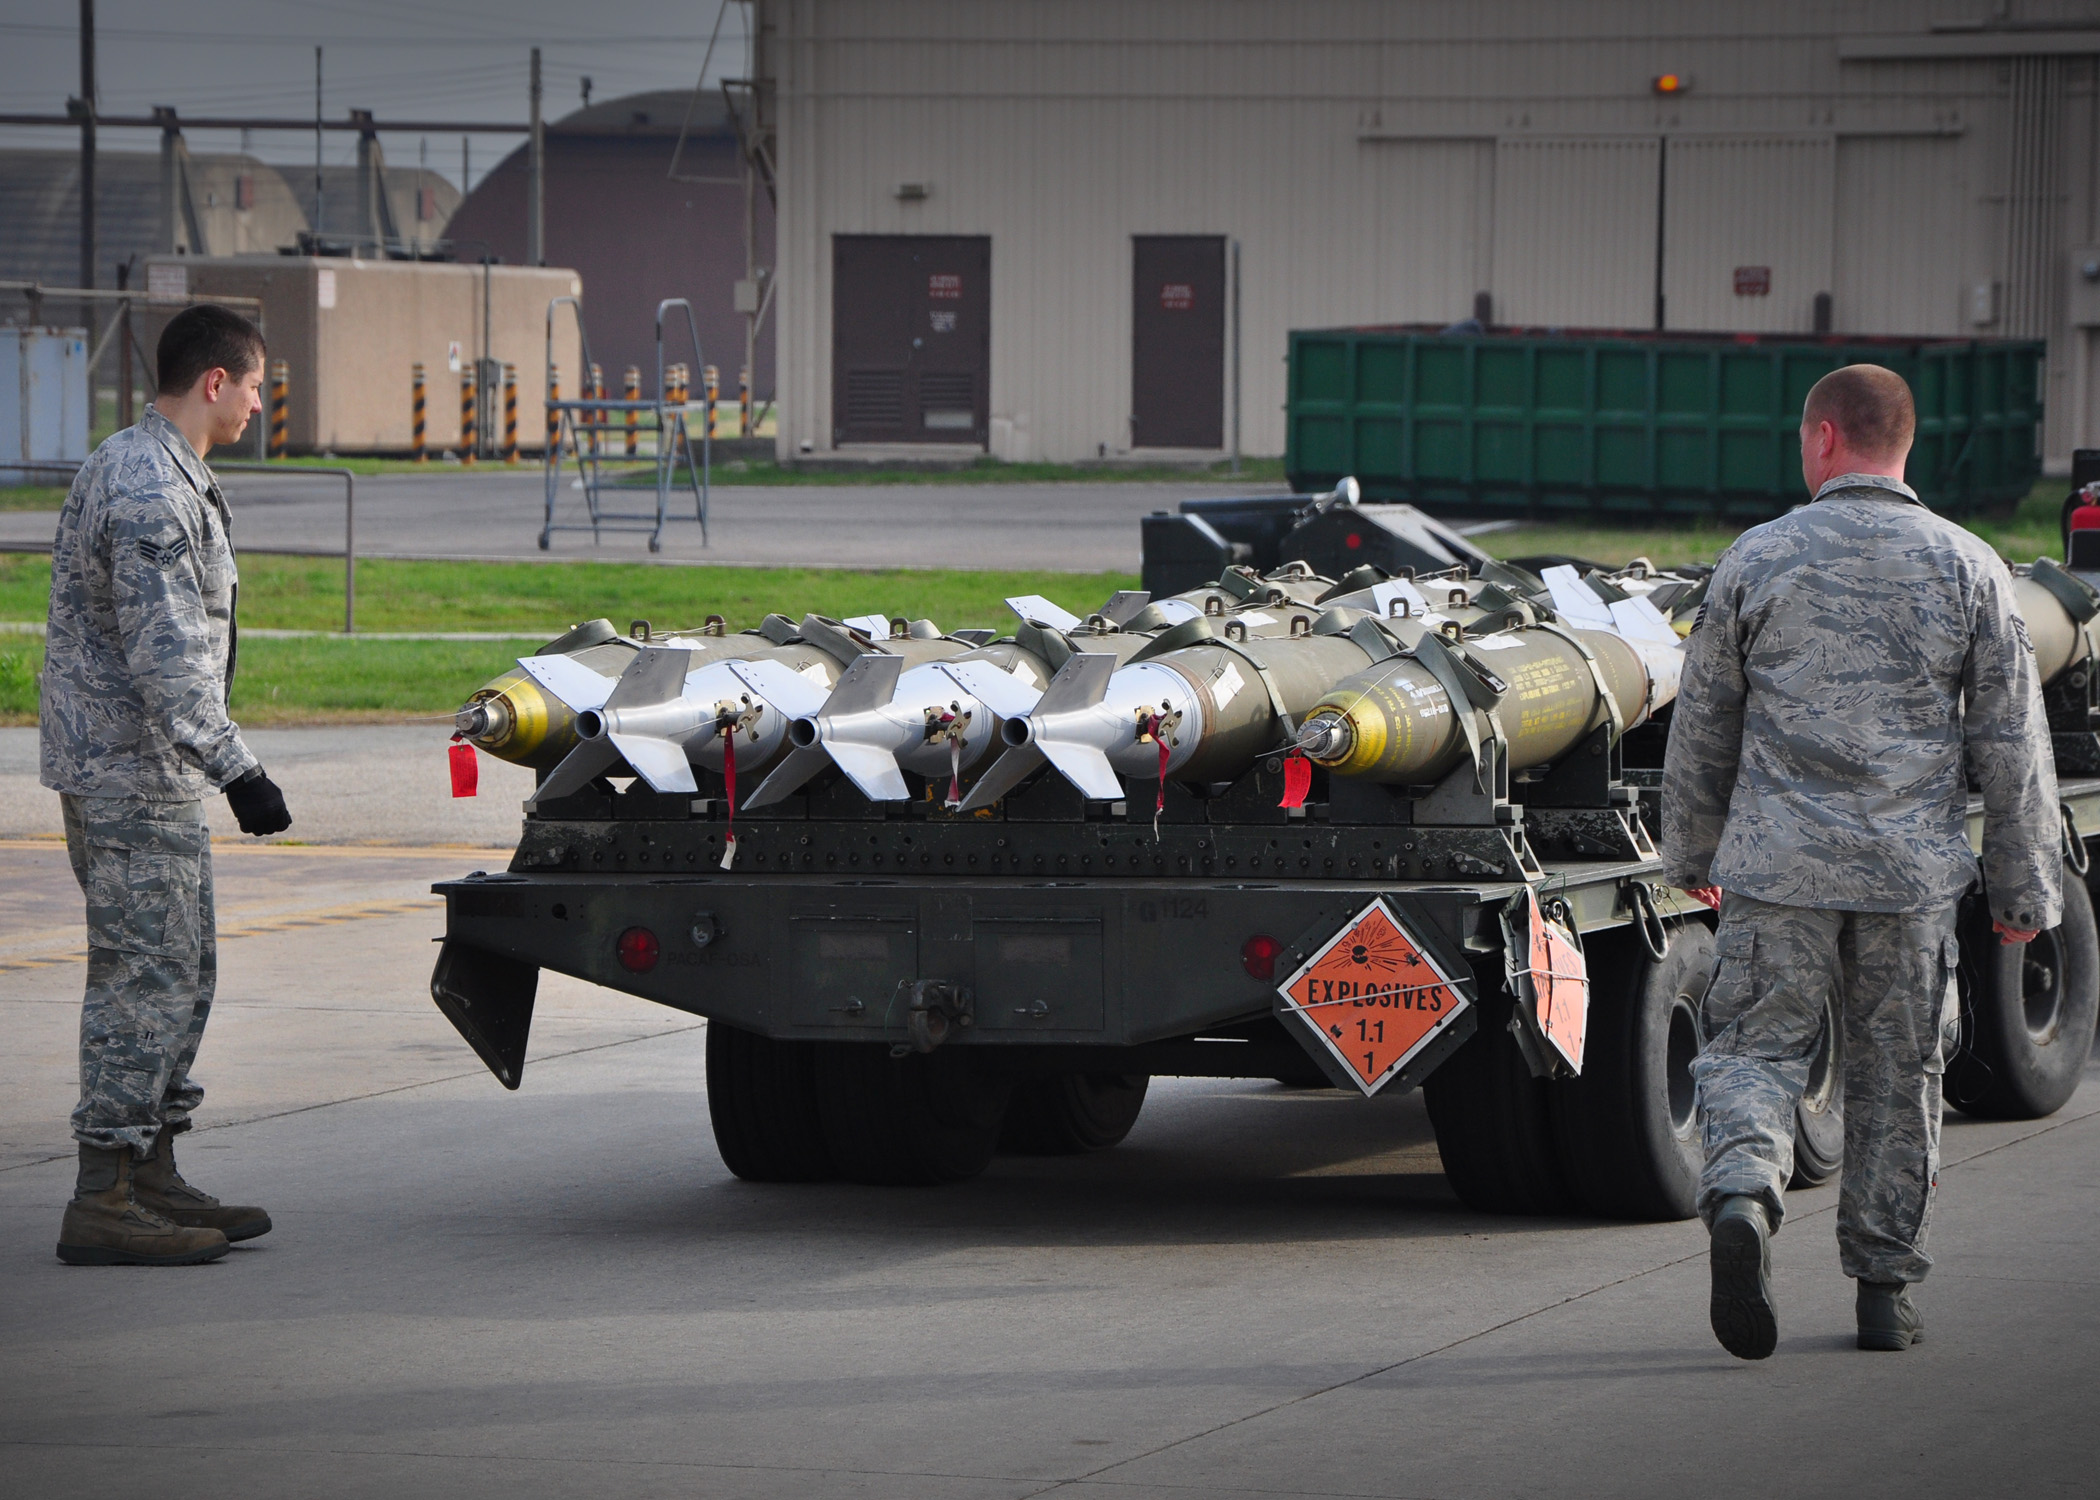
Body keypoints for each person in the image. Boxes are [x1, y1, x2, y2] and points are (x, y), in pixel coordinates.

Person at [1662, 363, 2060, 1359]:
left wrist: (1692, 853)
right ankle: (1885, 1293)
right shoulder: (1971, 565)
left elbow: (1703, 723)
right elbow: (2014, 746)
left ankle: (1747, 1191)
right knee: (1899, 1077)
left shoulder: (1756, 559)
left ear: (1827, 439)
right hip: (1908, 879)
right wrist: (2023, 889)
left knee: (1752, 1053)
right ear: (1905, 443)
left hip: (1776, 873)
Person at [42, 304, 295, 1267]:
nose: (262, 405)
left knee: (183, 969)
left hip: (150, 769)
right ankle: (102, 1194)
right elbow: (166, 654)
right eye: (257, 385)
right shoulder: (149, 484)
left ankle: (150, 1170)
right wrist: (241, 769)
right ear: (214, 383)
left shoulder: (160, 468)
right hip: (126, 770)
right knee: (142, 977)